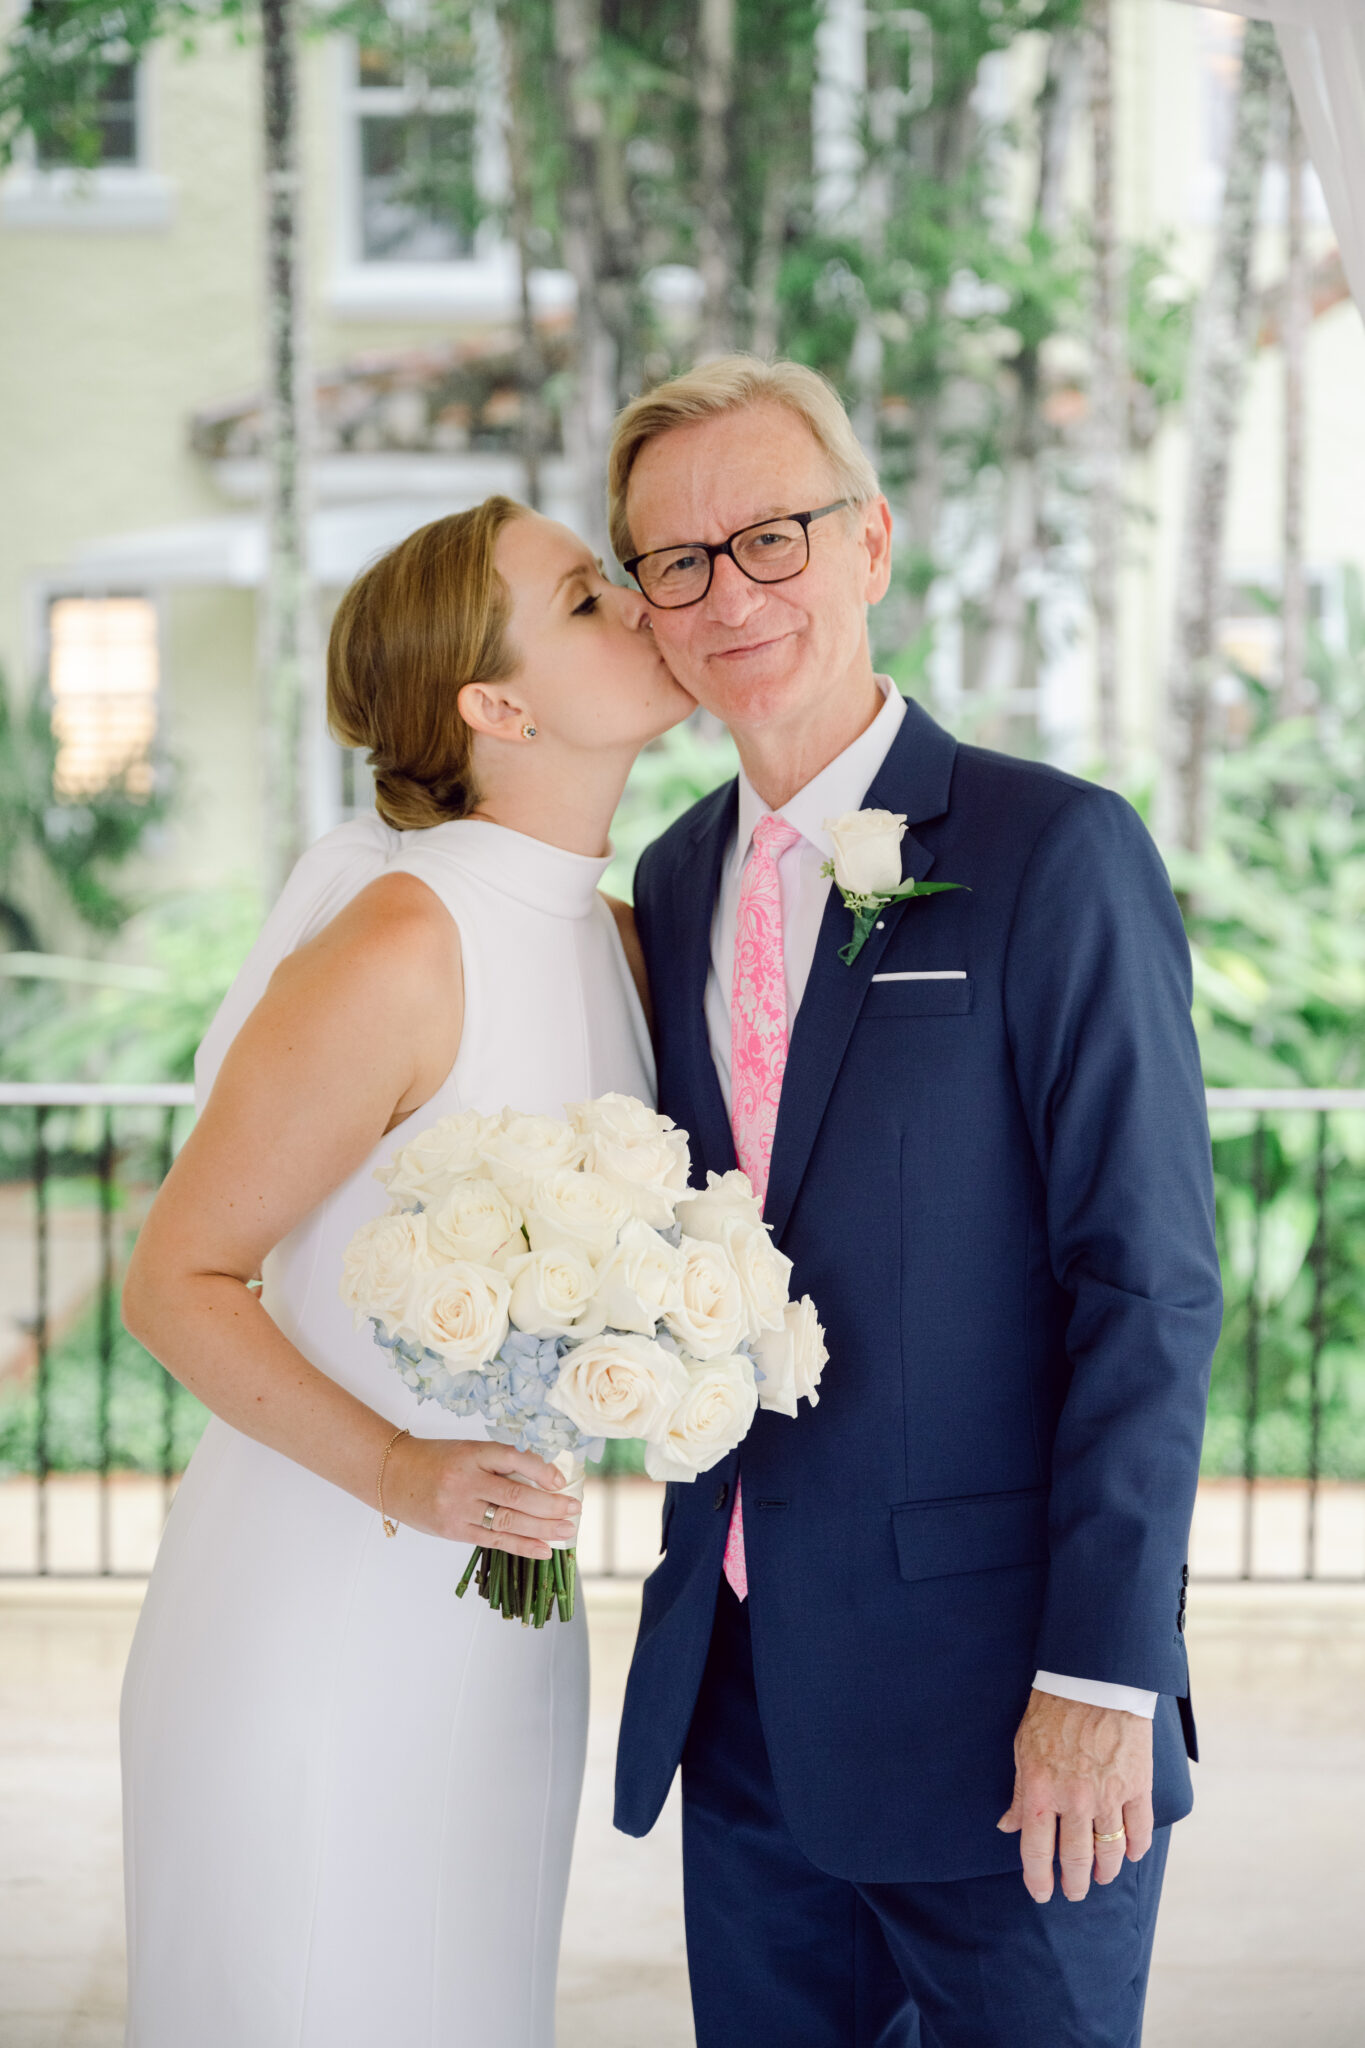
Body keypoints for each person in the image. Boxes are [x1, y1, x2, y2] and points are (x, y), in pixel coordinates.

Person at [609, 358, 1222, 2048]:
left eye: (773, 535)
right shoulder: (665, 882)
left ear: (869, 543)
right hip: (735, 1702)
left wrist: (1102, 1676)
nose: (730, 590)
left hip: (1009, 1713)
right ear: (651, 616)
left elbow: (1145, 1284)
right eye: (678, 560)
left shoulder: (1053, 849)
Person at [119, 496, 692, 2048]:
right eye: (586, 598)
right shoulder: (399, 936)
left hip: (506, 1626)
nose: (642, 600)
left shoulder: (627, 943)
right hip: (318, 1615)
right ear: (494, 706)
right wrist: (400, 1465)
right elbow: (177, 1277)